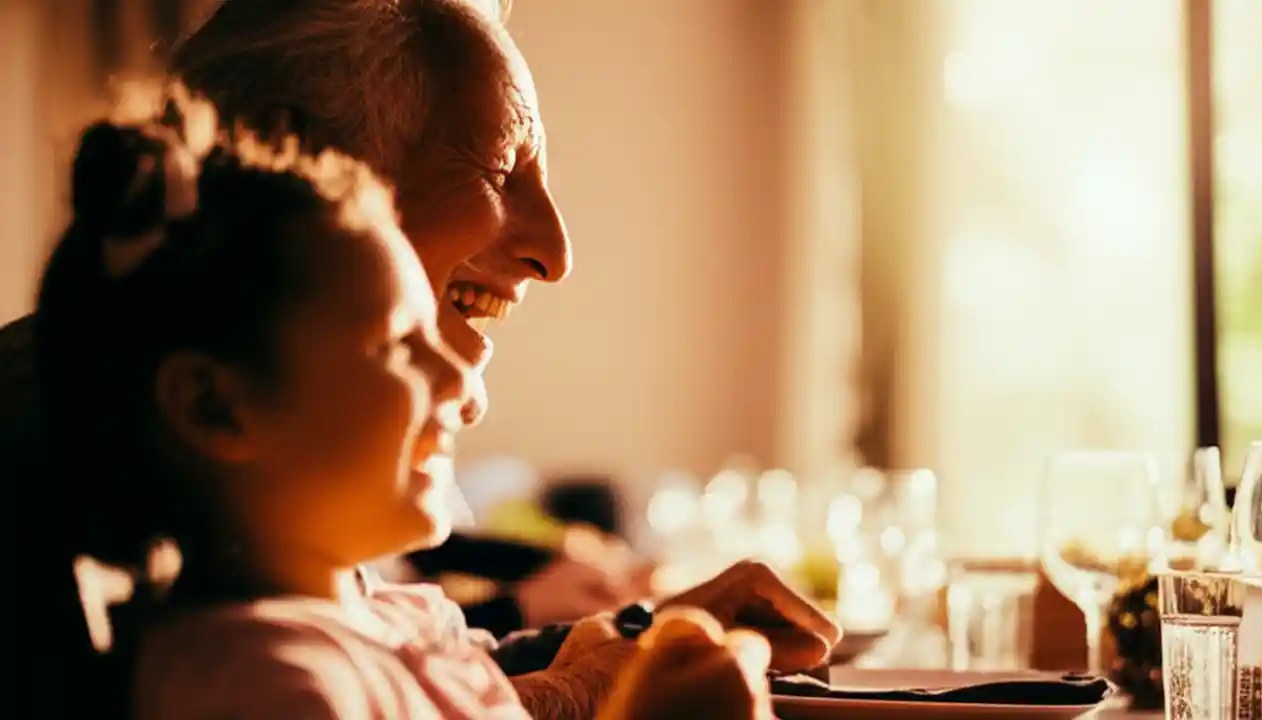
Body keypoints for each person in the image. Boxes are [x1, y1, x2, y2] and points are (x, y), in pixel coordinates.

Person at [35, 94, 773, 720]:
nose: (456, 379)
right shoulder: (263, 683)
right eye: (396, 342)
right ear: (215, 407)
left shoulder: (397, 623)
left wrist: (632, 645)